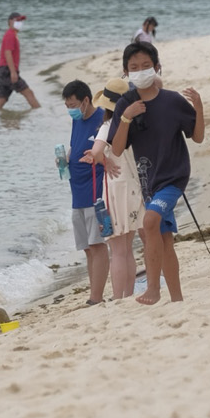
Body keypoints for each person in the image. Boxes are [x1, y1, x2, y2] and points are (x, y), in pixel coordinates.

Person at [110, 43, 204, 305]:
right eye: (134, 68)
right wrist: (127, 118)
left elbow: (197, 137)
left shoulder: (172, 100)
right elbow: (116, 149)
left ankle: (153, 289)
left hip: (174, 177)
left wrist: (199, 108)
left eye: (145, 66)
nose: (140, 71)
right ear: (126, 72)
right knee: (164, 239)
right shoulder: (125, 105)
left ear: (157, 67)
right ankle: (177, 299)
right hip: (148, 183)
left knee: (149, 222)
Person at [86, 79, 140, 299]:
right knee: (128, 248)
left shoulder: (107, 127)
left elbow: (96, 151)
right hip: (135, 188)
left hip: (115, 190)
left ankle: (119, 297)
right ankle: (128, 293)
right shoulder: (134, 125)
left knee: (117, 251)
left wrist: (103, 161)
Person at [62, 80, 109, 304]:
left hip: (96, 192)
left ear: (86, 100)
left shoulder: (103, 119)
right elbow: (74, 146)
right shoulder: (76, 122)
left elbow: (115, 152)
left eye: (73, 104)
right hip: (77, 193)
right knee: (87, 248)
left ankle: (96, 297)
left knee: (98, 244)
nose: (70, 109)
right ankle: (94, 293)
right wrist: (65, 160)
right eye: (67, 105)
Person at [0, 12, 41, 110]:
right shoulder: (10, 35)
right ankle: (41, 114)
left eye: (21, 21)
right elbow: (8, 53)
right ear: (10, 22)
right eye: (17, 21)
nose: (20, 23)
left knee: (1, 101)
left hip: (2, 72)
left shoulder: (11, 35)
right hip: (7, 71)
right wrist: (13, 72)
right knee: (28, 93)